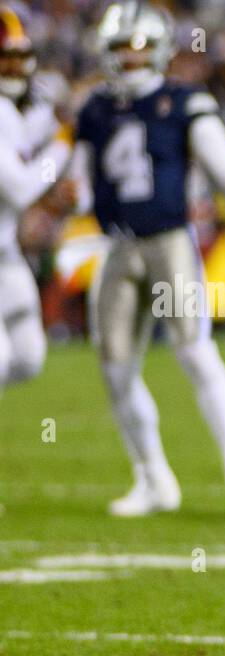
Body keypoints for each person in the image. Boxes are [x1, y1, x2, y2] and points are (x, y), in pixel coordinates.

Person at [70, 1, 225, 516]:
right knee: (115, 367)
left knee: (195, 352)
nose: (129, 57)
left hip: (169, 242)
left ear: (158, 49)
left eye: (138, 46)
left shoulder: (181, 101)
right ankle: (153, 478)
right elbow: (78, 180)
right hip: (117, 244)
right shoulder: (94, 109)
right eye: (120, 47)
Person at [0, 5, 69, 397]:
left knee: (27, 357)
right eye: (5, 57)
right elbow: (22, 188)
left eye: (19, 57)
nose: (13, 67)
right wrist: (60, 150)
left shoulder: (21, 112)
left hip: (6, 254)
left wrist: (60, 190)